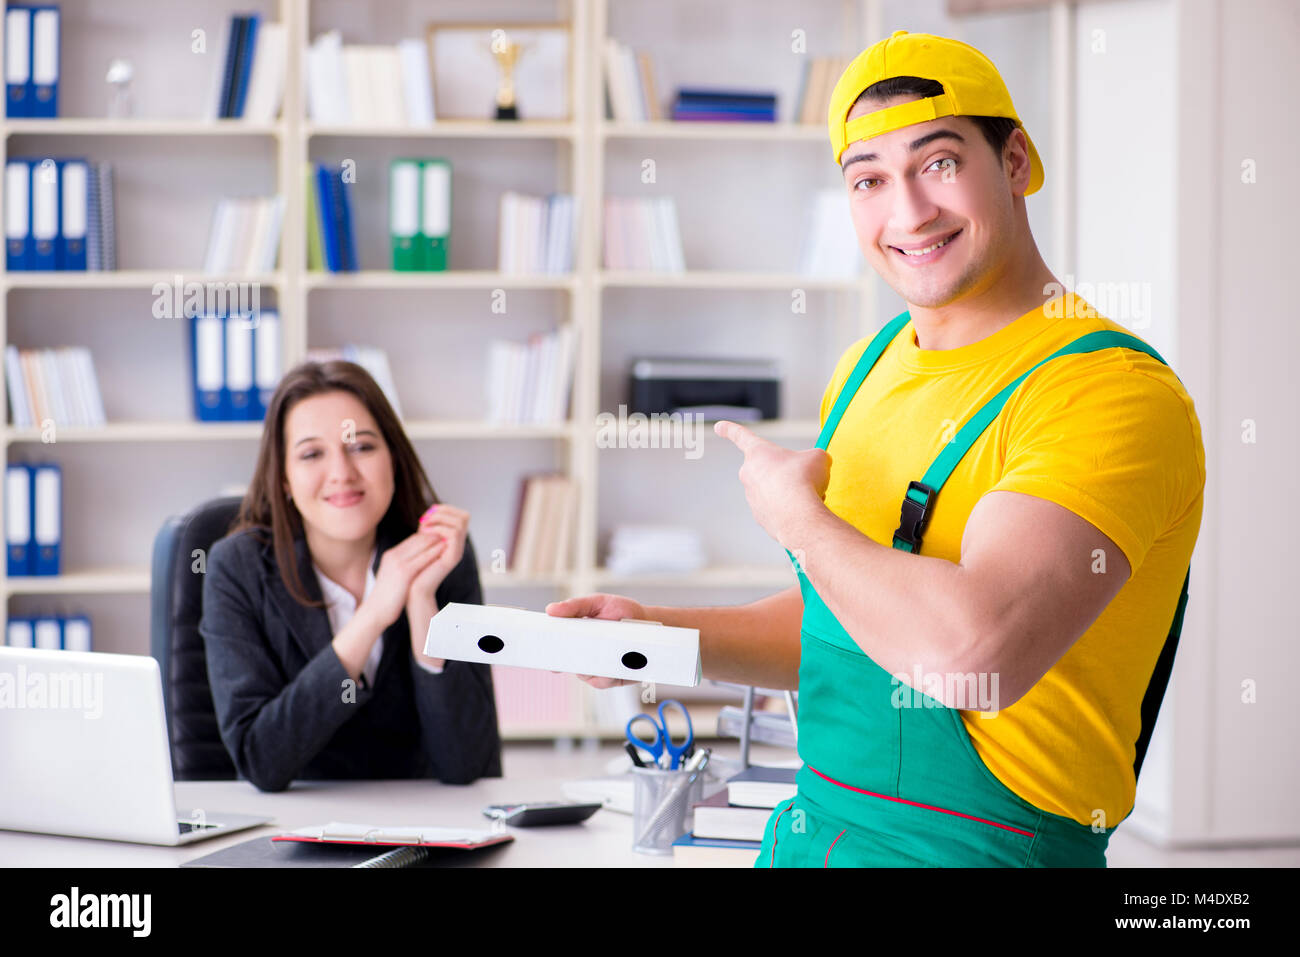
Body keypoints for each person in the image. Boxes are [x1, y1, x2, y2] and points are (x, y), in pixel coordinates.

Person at [546, 31, 1204, 866]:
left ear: (1015, 161)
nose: (909, 213)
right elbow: (844, 626)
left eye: (936, 163)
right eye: (869, 179)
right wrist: (656, 631)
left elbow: (976, 653)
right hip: (818, 839)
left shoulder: (1107, 391)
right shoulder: (869, 367)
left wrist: (802, 523)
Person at [200, 359, 502, 792]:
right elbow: (262, 761)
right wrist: (372, 616)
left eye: (361, 446)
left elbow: (465, 764)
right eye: (311, 454)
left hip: (420, 834)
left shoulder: (441, 553)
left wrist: (422, 604)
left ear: (393, 458)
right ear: (283, 478)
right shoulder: (237, 567)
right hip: (294, 837)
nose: (342, 472)